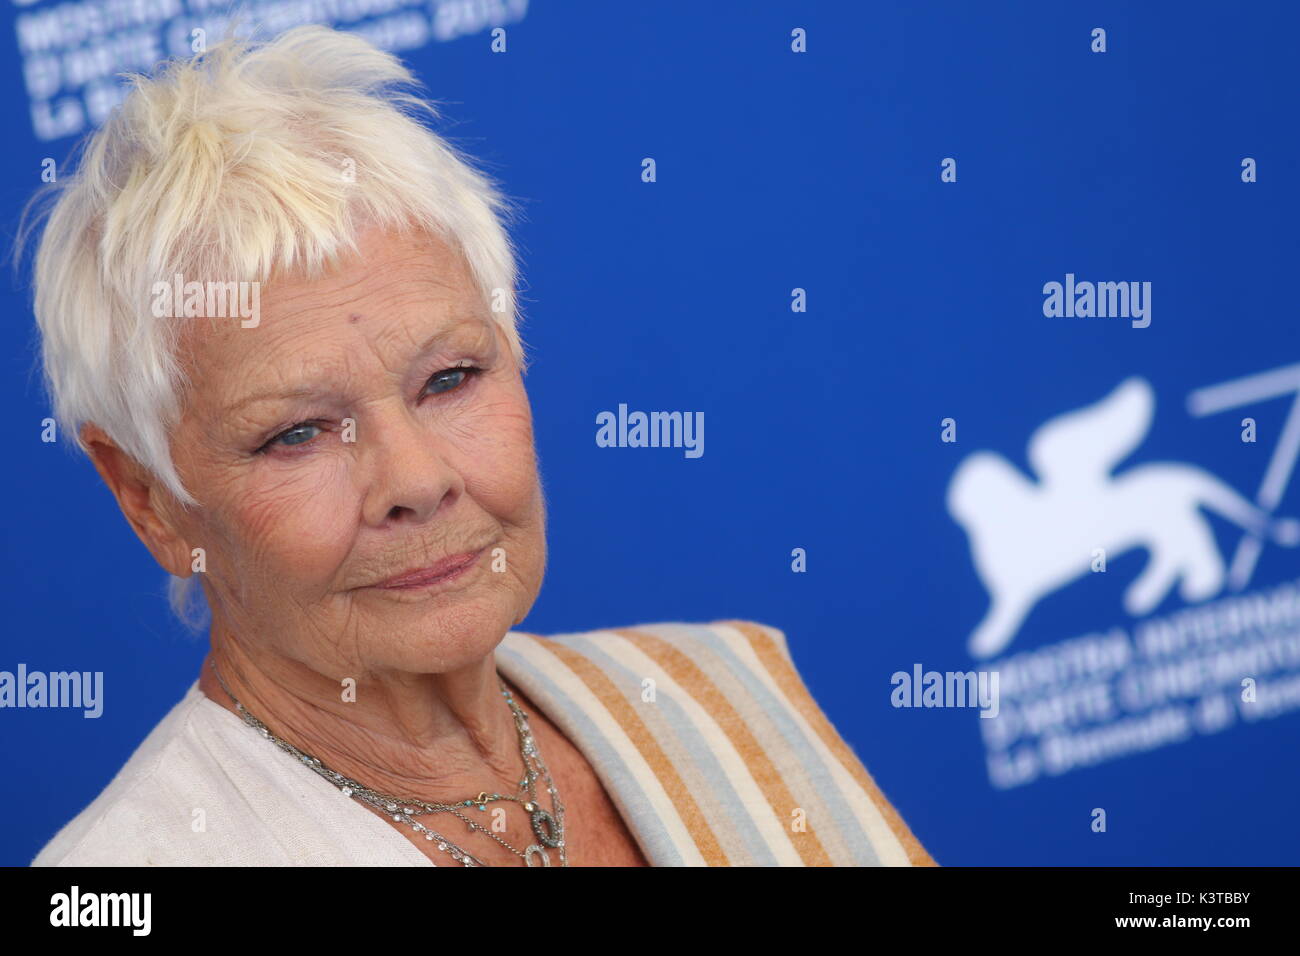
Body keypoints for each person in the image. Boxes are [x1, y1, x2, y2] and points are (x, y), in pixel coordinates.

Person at [23, 24, 936, 867]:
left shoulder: (721, 688)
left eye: (451, 379)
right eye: (297, 433)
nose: (416, 481)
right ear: (149, 499)